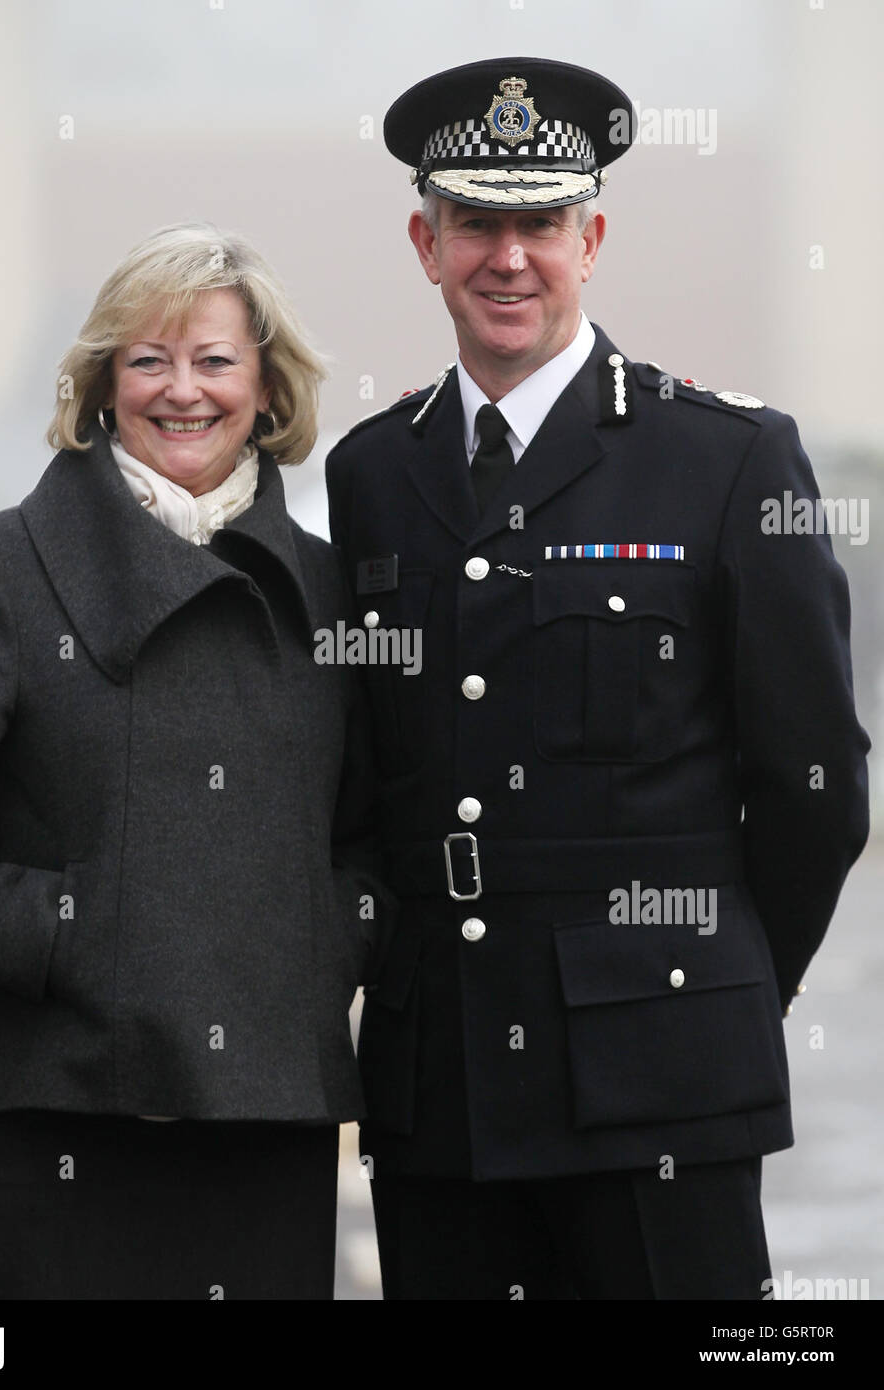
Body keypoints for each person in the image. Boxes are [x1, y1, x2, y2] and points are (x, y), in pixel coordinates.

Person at [325, 57, 871, 1300]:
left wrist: (713, 982)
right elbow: (363, 779)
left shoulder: (725, 458)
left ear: (592, 237)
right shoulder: (371, 472)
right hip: (441, 1086)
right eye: (475, 222)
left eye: (538, 224)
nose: (507, 257)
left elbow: (812, 784)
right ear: (425, 240)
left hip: (660, 1084)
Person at [0, 221, 386, 1300]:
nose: (180, 390)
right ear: (102, 384)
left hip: (264, 1110)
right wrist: (63, 938)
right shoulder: (2, 567)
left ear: (268, 387)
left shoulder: (336, 594)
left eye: (213, 360)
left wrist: (317, 949)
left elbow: (374, 833)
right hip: (56, 1111)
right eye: (146, 359)